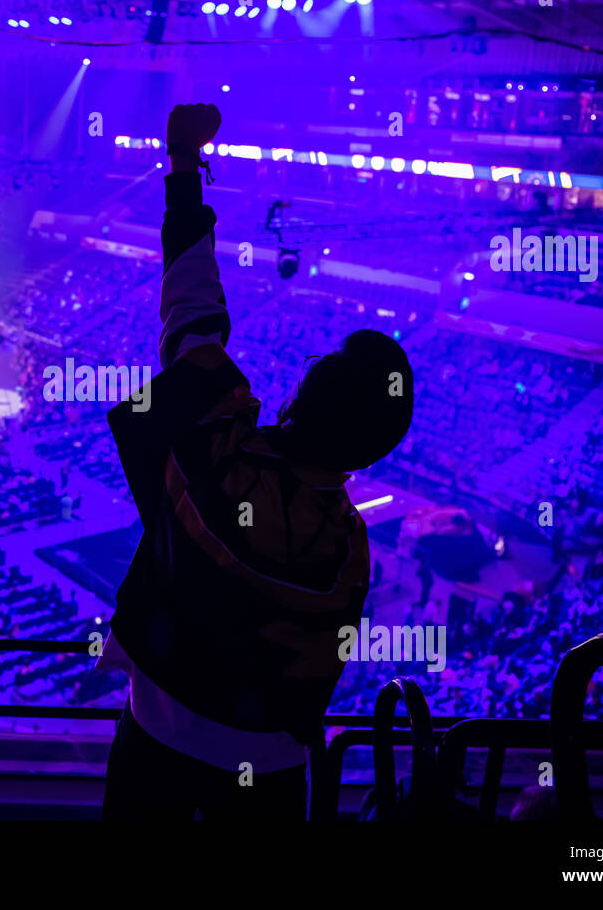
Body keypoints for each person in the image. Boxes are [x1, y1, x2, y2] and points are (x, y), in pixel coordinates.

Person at [98, 103, 414, 820]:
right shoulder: (349, 548)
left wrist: (184, 165)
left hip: (158, 736)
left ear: (302, 394)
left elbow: (190, 306)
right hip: (270, 773)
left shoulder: (216, 457)